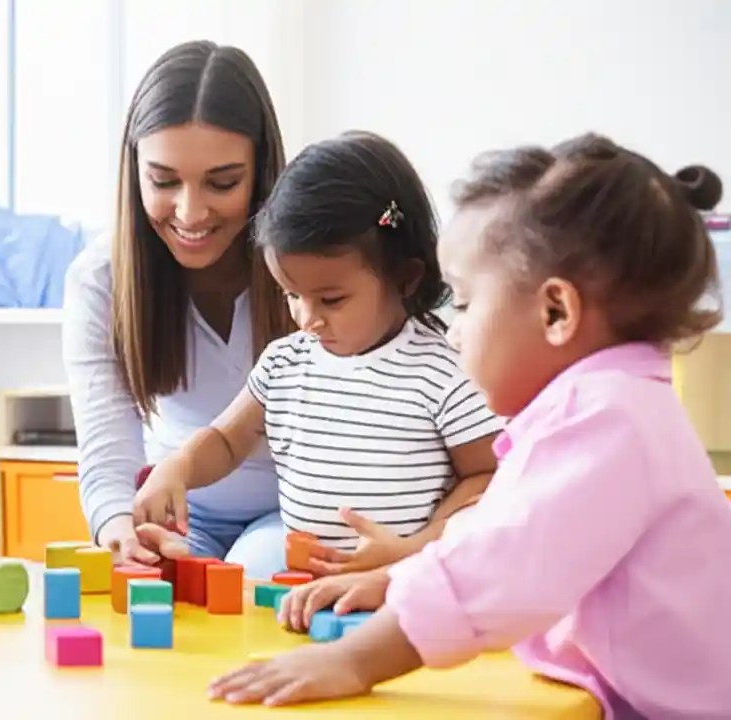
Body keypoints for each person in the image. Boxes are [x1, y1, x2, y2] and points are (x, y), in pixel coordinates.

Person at [209, 134, 731, 719]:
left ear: (555, 312)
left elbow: (502, 570)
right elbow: (494, 536)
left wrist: (353, 660)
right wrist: (396, 577)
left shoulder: (609, 422)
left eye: (463, 302)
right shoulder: (606, 409)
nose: (453, 331)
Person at [135, 131, 502, 593]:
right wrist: (178, 468)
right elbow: (227, 441)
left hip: (404, 588)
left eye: (331, 299)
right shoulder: (286, 363)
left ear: (406, 278)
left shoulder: (443, 371)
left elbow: (488, 477)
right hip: (302, 587)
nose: (307, 319)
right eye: (291, 295)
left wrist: (419, 547)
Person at [62, 40, 295, 578]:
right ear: (135, 169)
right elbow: (107, 447)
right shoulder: (100, 281)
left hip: (298, 513)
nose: (191, 212)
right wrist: (120, 527)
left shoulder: (311, 270)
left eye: (223, 182)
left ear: (261, 173)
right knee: (153, 586)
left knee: (256, 574)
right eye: (164, 181)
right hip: (182, 511)